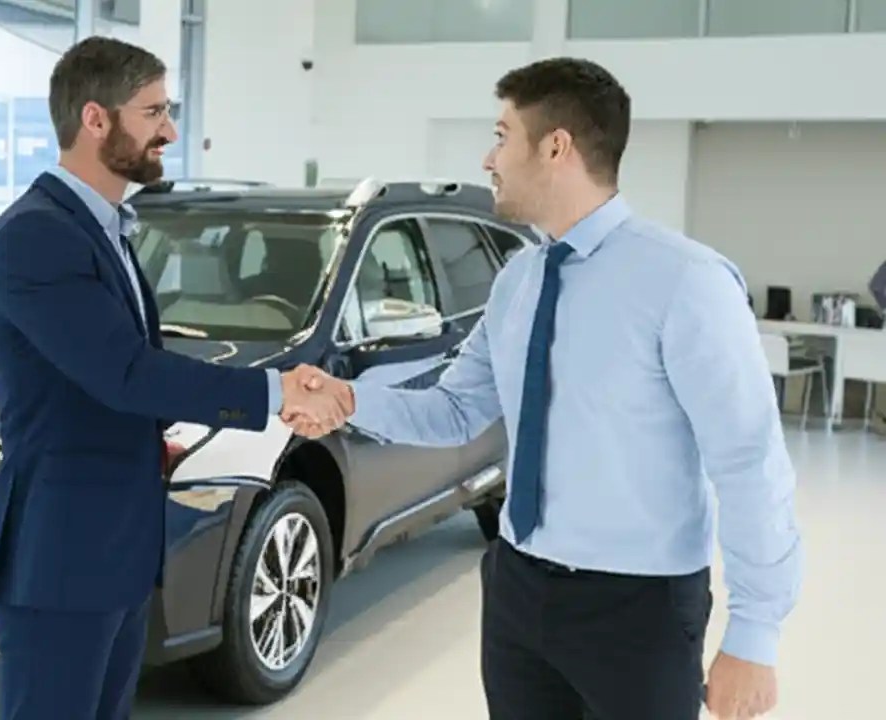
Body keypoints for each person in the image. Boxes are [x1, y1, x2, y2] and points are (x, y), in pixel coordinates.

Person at [286, 58, 802, 720]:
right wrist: (350, 400)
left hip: (638, 609)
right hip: (518, 587)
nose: (488, 156)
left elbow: (749, 462)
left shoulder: (686, 283)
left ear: (555, 146)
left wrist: (755, 637)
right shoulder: (519, 281)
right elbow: (455, 410)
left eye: (502, 135)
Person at [0, 37, 348, 720]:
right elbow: (125, 373)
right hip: (61, 559)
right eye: (153, 112)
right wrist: (275, 393)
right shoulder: (38, 235)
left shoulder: (108, 229)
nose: (170, 131)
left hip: (111, 551)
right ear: (95, 119)